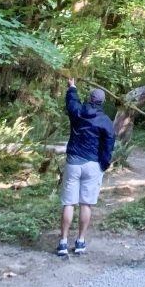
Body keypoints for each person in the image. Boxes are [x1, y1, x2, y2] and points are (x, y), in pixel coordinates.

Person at [58, 78, 115, 257]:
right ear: (102, 102)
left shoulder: (78, 112)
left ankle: (63, 242)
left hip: (73, 162)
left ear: (89, 98)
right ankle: (81, 241)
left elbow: (71, 102)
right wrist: (104, 164)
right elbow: (109, 144)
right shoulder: (105, 121)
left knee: (69, 203)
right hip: (92, 165)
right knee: (86, 204)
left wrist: (72, 87)